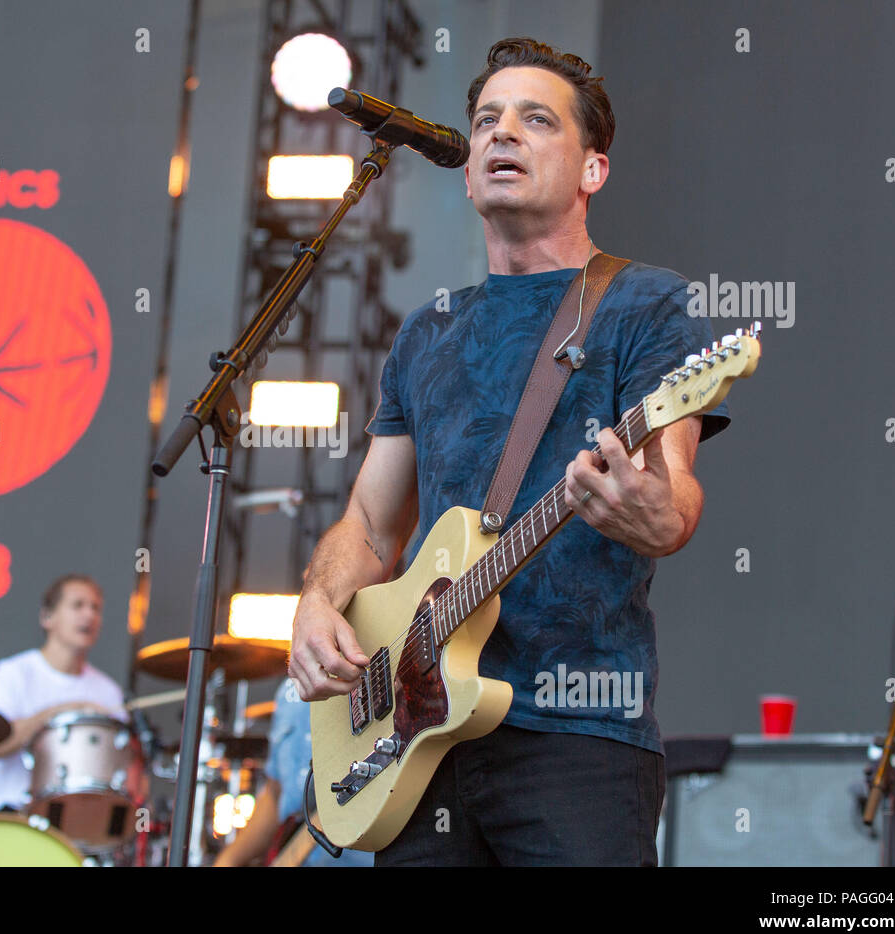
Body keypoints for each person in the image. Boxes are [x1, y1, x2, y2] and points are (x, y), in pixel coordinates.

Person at [287, 37, 731, 866]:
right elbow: (371, 527)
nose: (501, 135)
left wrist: (651, 510)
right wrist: (317, 600)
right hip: (416, 745)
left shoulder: (645, 304)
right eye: (487, 121)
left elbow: (674, 500)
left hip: (578, 736)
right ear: (464, 171)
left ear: (592, 170)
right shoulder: (428, 330)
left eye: (535, 120)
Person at [0, 574, 127, 815]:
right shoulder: (12, 673)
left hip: (77, 825)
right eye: (78, 605)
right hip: (8, 816)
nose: (89, 615)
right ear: (47, 617)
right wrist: (58, 713)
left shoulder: (109, 692)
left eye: (95, 608)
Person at [212, 679, 373, 867]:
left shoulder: (368, 676)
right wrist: (228, 860)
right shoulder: (288, 691)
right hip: (294, 852)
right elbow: (276, 794)